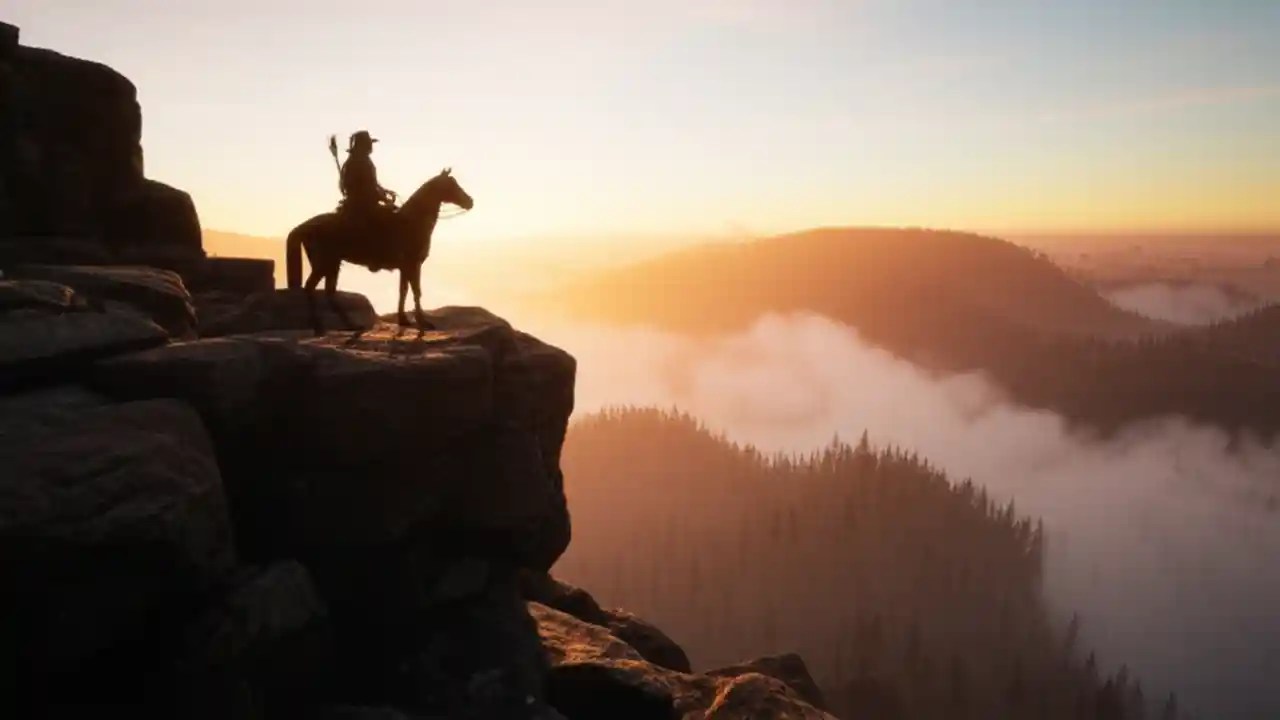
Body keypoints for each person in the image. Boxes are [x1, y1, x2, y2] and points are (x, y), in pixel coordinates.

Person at [338, 130, 398, 240]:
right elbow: (367, 188)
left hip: (361, 202)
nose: (371, 146)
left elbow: (372, 183)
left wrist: (385, 191)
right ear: (363, 145)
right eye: (369, 143)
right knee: (391, 220)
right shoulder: (360, 162)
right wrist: (383, 198)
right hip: (362, 205)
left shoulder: (359, 160)